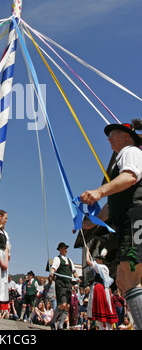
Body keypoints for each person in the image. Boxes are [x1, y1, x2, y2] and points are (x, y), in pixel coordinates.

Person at [81, 119, 142, 330]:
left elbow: (131, 177)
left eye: (112, 134)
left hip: (135, 215)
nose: (108, 138)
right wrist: (91, 222)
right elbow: (112, 204)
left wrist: (99, 191)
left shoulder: (130, 151)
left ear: (126, 136)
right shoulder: (121, 159)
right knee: (126, 279)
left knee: (129, 276)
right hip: (128, 218)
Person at [85, 246, 118, 330]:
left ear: (101, 260)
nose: (96, 260)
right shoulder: (105, 268)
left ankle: (103, 328)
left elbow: (88, 261)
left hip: (99, 289)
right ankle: (106, 328)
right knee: (104, 310)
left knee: (100, 310)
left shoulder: (100, 267)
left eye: (98, 259)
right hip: (104, 290)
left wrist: (87, 251)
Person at [49, 242, 79, 330]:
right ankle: (53, 321)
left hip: (68, 284)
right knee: (63, 304)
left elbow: (74, 271)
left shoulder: (69, 260)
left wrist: (77, 278)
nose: (65, 250)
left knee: (68, 306)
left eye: (66, 248)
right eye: (64, 248)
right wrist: (52, 273)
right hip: (61, 282)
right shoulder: (57, 259)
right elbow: (53, 268)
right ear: (60, 250)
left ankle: (61, 325)